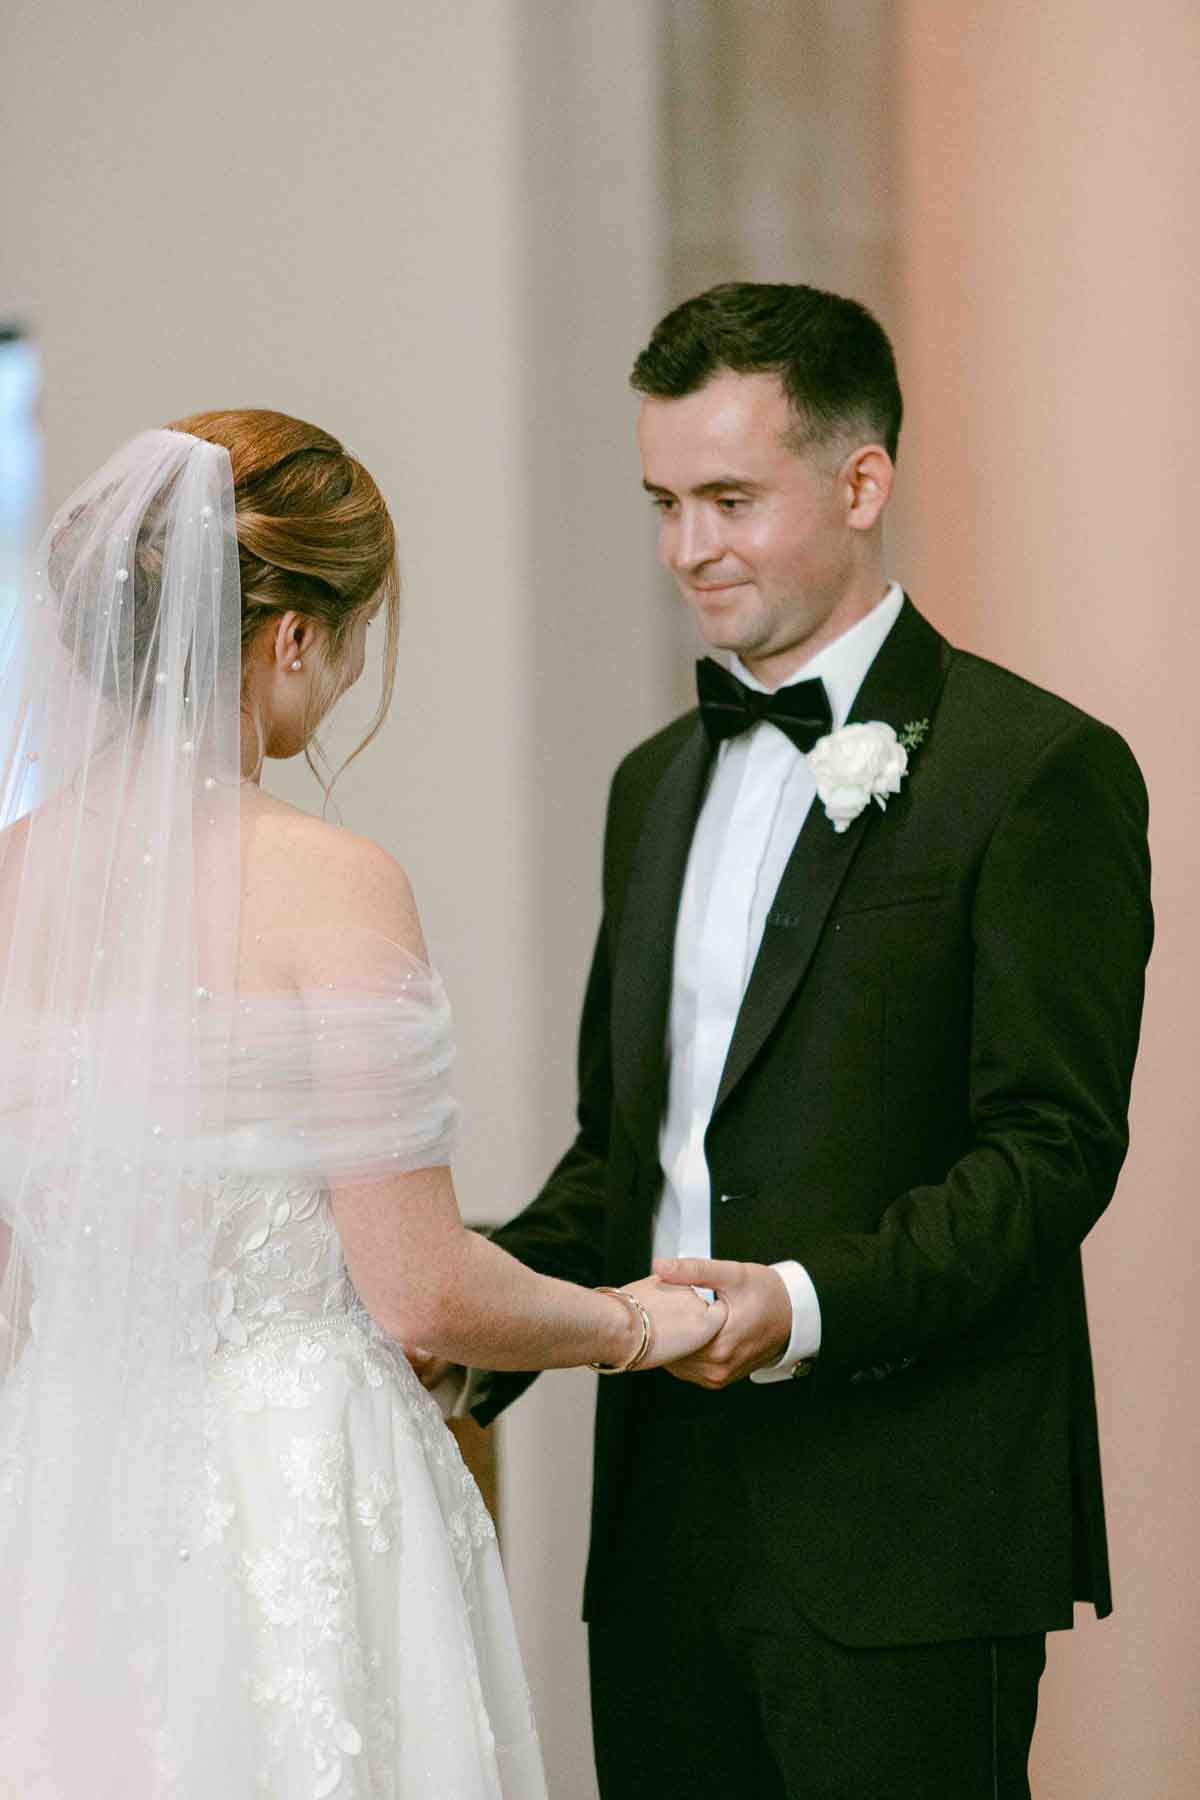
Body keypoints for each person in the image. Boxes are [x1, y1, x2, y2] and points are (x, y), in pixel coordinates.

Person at [462, 283, 1154, 1799]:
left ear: (860, 483)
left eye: (727, 499)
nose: (685, 551)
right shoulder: (653, 784)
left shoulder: (1037, 770)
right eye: (662, 503)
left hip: (913, 1532)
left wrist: (801, 1300)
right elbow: (622, 1161)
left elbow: (1050, 1155)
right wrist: (462, 1328)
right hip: (660, 1543)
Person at [0, 411, 723, 1799]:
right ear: (287, 639)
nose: (332, 687)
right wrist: (640, 1322)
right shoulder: (330, 878)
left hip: (59, 1501)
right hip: (289, 1488)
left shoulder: (15, 887)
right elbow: (423, 1294)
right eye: (345, 645)